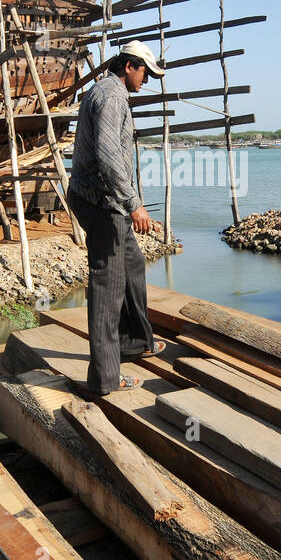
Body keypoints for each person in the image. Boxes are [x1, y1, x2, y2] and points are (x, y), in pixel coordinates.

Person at [67, 40, 168, 394]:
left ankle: (133, 341)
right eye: (145, 72)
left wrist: (128, 202)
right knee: (107, 287)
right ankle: (106, 378)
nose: (147, 80)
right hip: (102, 203)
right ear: (129, 66)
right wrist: (133, 205)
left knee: (134, 265)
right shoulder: (111, 97)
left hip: (107, 200)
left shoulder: (108, 92)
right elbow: (109, 157)